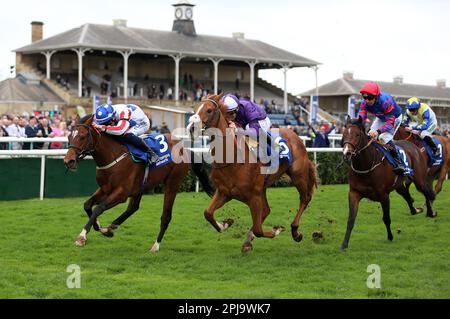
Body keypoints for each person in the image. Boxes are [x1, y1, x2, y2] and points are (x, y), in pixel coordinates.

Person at [358, 82, 406, 175]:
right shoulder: (365, 102)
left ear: (376, 96)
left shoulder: (385, 102)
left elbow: (390, 123)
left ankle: (399, 163)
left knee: (384, 137)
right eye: (364, 97)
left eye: (370, 98)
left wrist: (378, 131)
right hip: (381, 117)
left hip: (394, 118)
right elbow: (361, 116)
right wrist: (358, 125)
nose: (367, 100)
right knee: (369, 136)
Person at [92, 103, 158, 164]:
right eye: (103, 123)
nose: (104, 124)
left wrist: (103, 127)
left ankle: (150, 152)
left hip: (141, 122)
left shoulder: (124, 112)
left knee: (127, 135)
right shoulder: (106, 114)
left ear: (113, 117)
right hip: (126, 121)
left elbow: (120, 130)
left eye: (106, 122)